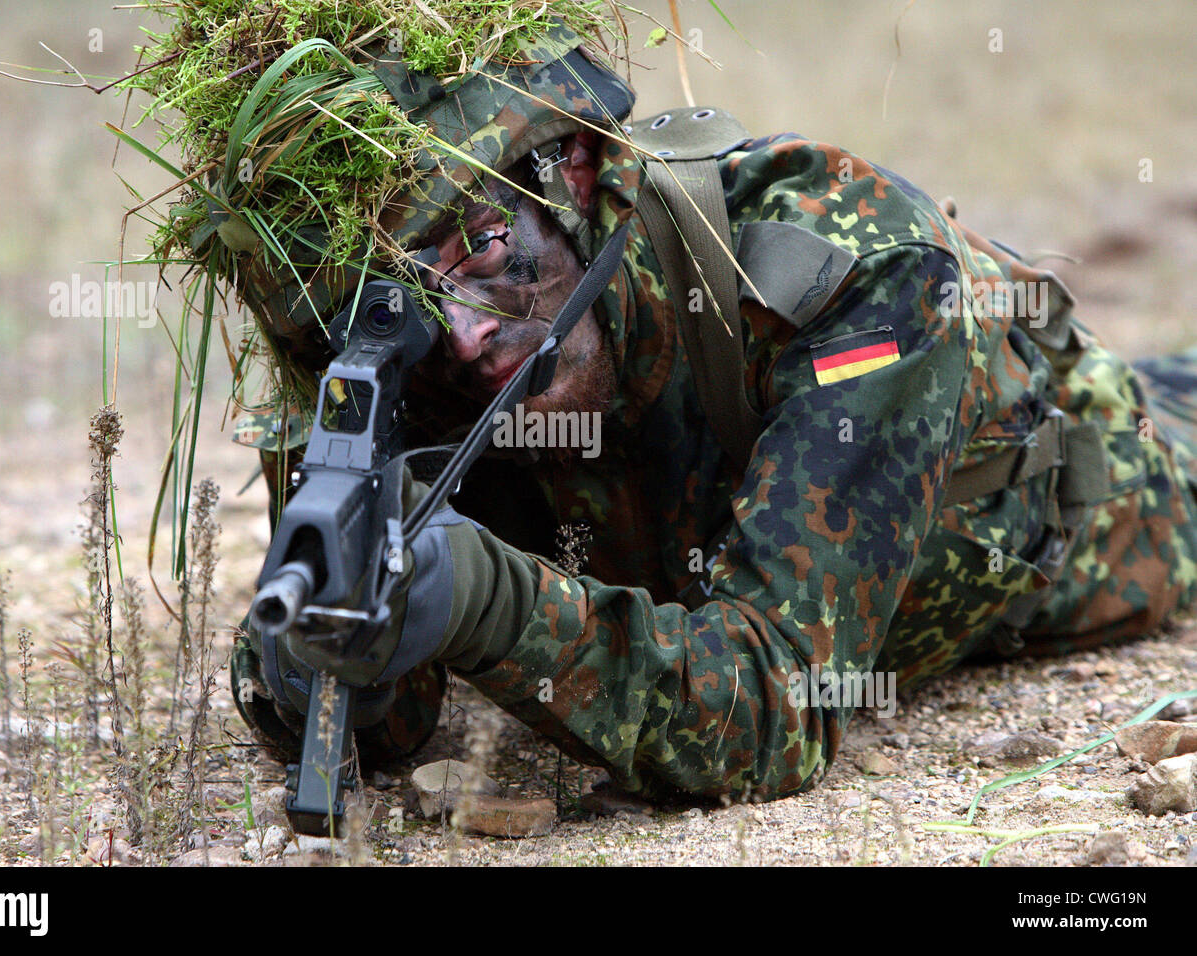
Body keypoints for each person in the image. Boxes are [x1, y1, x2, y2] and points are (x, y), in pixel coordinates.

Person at [229, 26, 1197, 803]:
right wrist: (310, 661)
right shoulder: (411, 362)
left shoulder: (835, 268)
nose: (469, 335)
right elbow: (386, 718)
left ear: (569, 169)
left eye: (482, 247)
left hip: (1127, 490)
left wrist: (482, 598)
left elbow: (774, 706)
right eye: (412, 292)